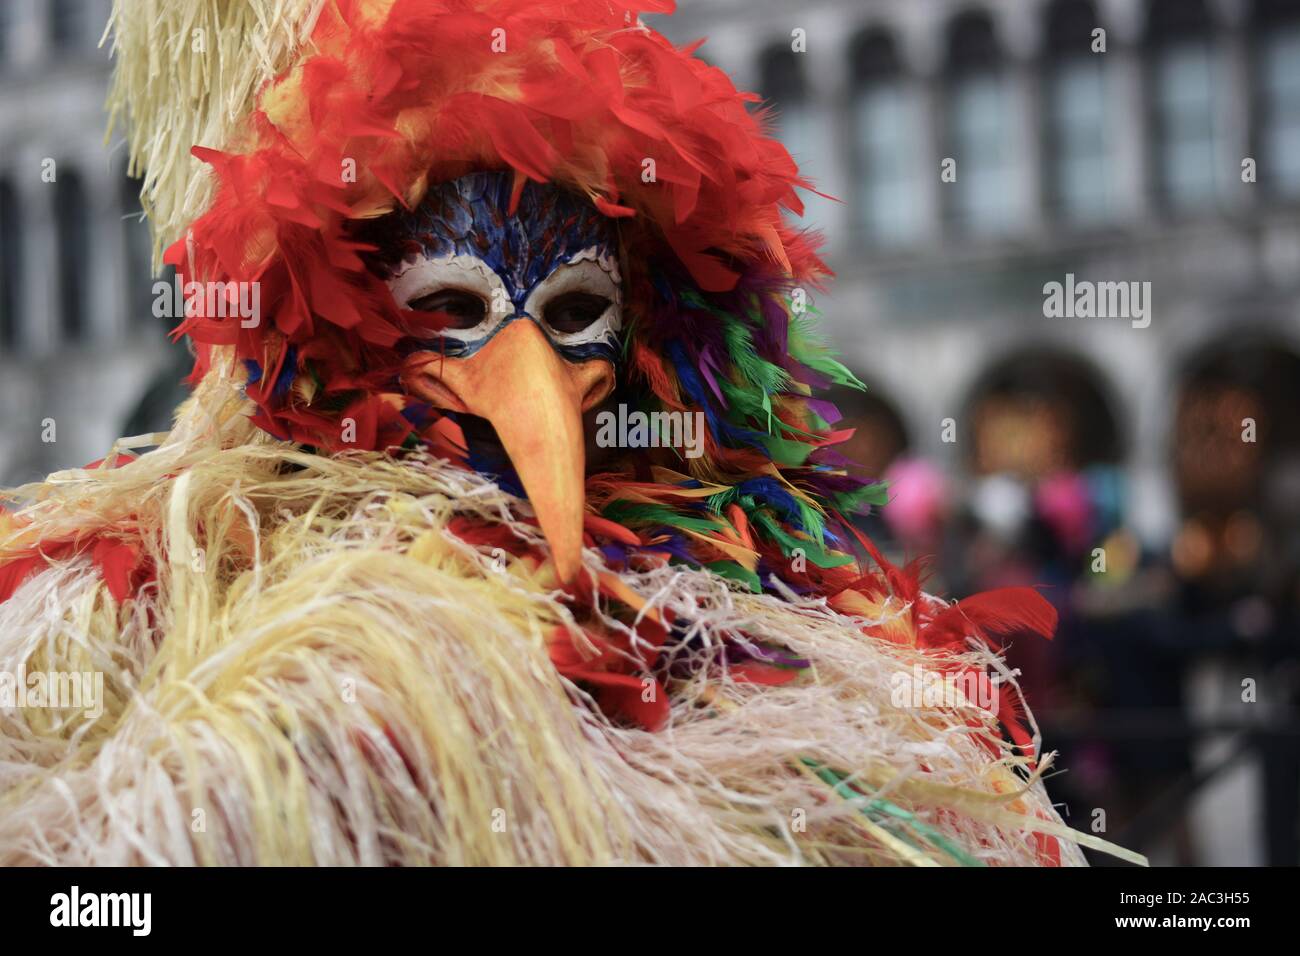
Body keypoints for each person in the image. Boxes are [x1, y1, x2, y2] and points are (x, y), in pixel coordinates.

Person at [0, 0, 1136, 866]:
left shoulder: (762, 587)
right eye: (449, 308)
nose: (526, 373)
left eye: (574, 315)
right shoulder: (207, 574)